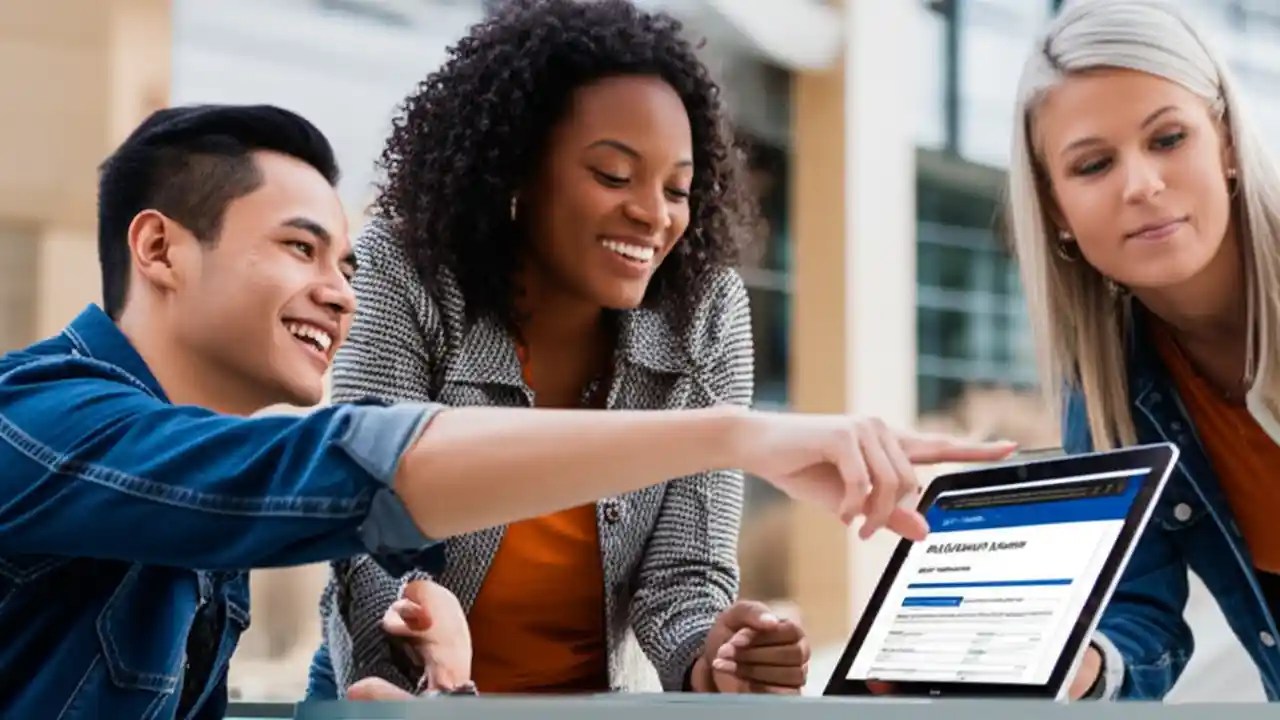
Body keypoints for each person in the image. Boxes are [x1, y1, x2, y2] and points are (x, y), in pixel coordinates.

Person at [0, 102, 1013, 718]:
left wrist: (448, 688)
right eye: (299, 249)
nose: (342, 292)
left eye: (344, 263)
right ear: (160, 248)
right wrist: (739, 433)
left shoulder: (183, 505)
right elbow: (348, 470)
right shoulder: (38, 425)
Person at [306, 0, 981, 701]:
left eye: (677, 189)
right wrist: (417, 624)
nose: (654, 214)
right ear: (517, 171)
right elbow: (364, 515)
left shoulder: (706, 315)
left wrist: (714, 657)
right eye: (612, 175)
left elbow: (684, 579)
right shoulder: (406, 267)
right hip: (396, 701)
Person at [1006, 0, 1280, 702]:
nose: (1142, 185)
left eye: (1167, 139)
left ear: (1225, 143)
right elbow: (1139, 611)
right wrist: (1089, 665)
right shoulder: (1106, 388)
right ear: (1056, 210)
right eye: (1094, 164)